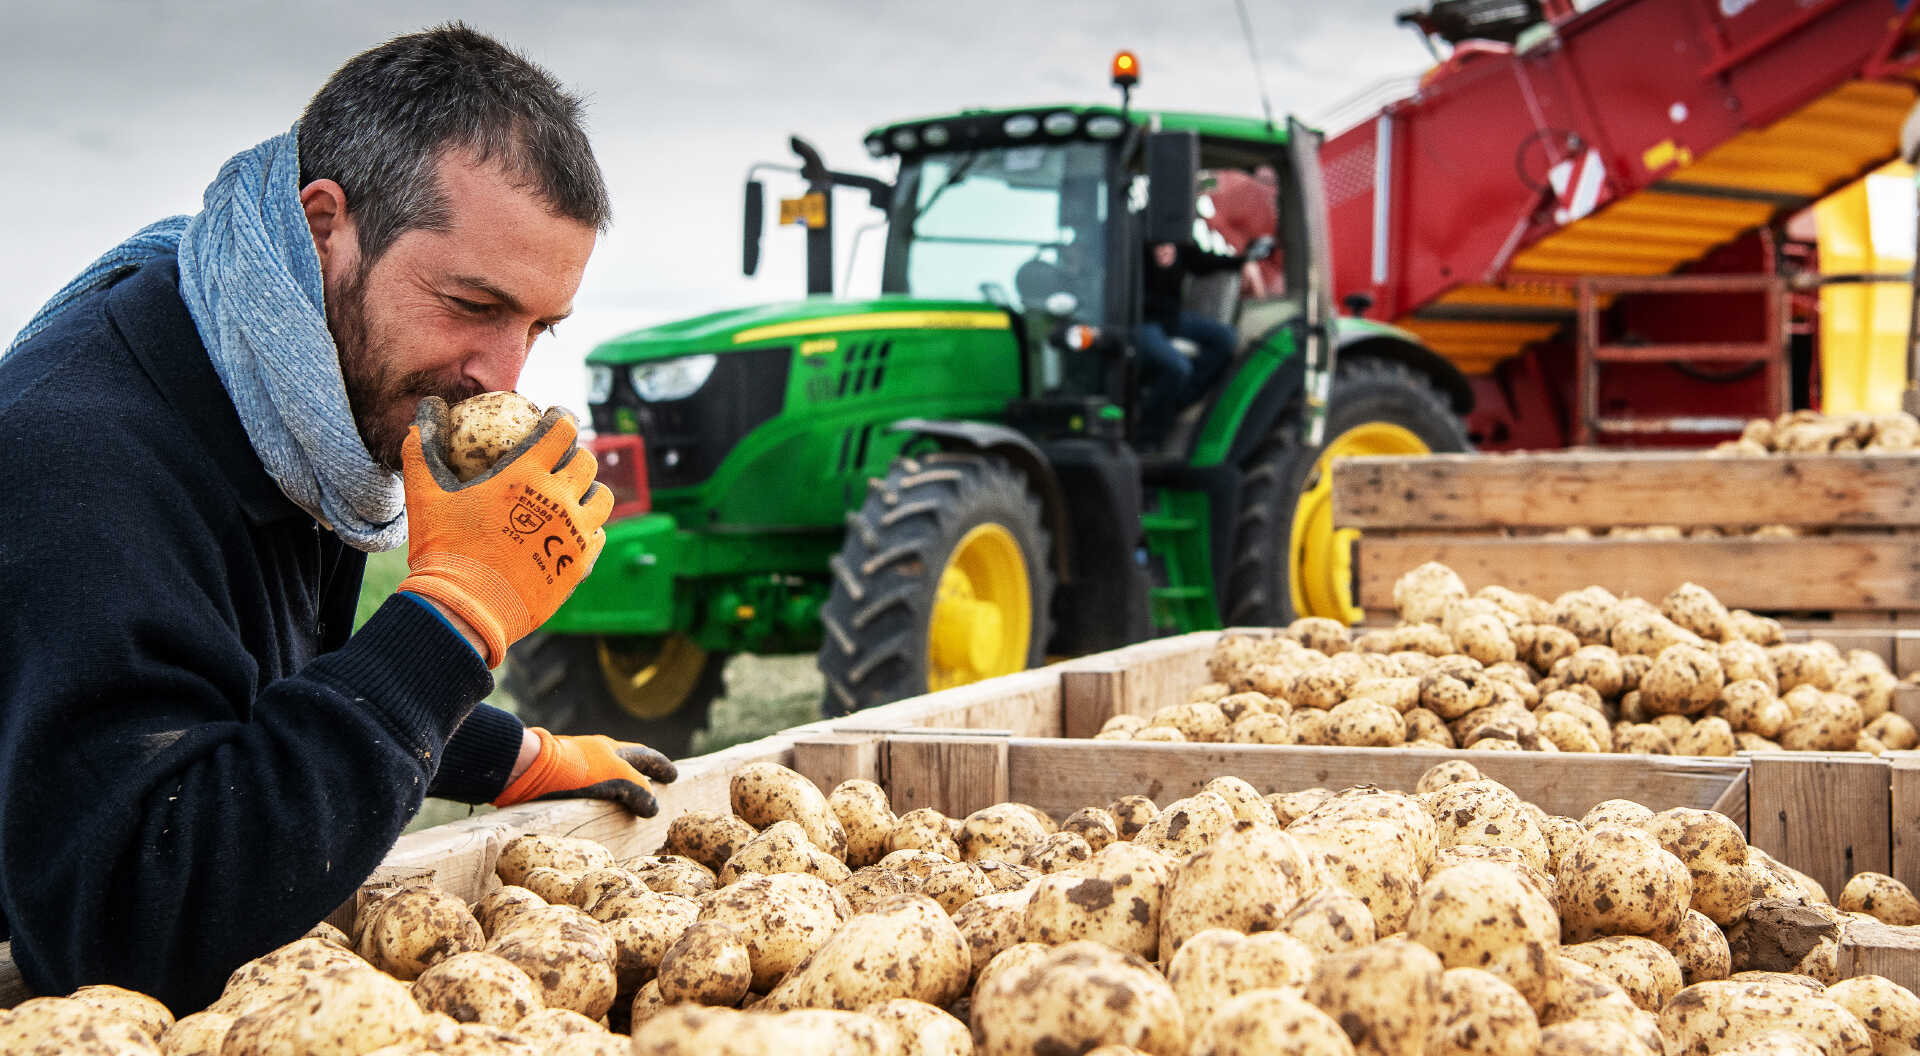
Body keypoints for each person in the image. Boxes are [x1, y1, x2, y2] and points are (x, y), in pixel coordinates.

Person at [0, 24, 676, 1012]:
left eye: (536, 326)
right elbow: (127, 931)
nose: (503, 373)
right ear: (327, 225)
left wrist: (510, 755)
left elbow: (241, 699)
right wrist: (456, 615)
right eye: (469, 302)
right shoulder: (82, 459)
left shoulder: (289, 408)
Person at [1136, 239, 1245, 444]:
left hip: (1172, 319)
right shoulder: (1136, 245)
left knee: (1226, 339)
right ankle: (1148, 434)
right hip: (1141, 321)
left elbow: (1207, 262)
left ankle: (1178, 401)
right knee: (1178, 367)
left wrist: (1244, 261)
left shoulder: (1182, 247)